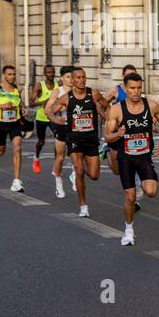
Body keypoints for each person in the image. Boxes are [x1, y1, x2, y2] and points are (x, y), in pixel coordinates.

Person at [103, 73, 159, 246]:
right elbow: (108, 137)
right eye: (132, 88)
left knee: (152, 192)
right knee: (130, 197)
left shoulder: (151, 106)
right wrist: (118, 134)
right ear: (125, 88)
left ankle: (141, 183)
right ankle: (128, 231)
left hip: (144, 157)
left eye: (139, 88)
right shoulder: (116, 109)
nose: (136, 92)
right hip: (126, 158)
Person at [46, 66, 109, 217]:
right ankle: (83, 206)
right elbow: (49, 110)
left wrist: (110, 121)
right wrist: (57, 120)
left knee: (94, 175)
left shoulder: (93, 94)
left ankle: (81, 168)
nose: (81, 80)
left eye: (83, 77)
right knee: (79, 171)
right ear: (72, 80)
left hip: (90, 138)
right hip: (74, 138)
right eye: (78, 78)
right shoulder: (67, 97)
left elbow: (108, 107)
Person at [0, 65, 27, 192]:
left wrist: (23, 108)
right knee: (1, 151)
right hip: (1, 124)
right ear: (4, 75)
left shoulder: (16, 89)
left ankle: (16, 181)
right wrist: (3, 105)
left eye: (14, 74)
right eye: (9, 74)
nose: (12, 77)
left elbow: (19, 102)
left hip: (14, 123)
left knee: (18, 148)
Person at [44, 65, 75, 200]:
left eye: (73, 77)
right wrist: (56, 119)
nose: (71, 80)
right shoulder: (58, 92)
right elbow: (47, 110)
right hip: (62, 127)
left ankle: (74, 175)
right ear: (62, 78)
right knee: (60, 157)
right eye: (68, 77)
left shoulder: (80, 91)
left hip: (76, 127)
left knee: (77, 155)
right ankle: (58, 182)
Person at [30, 63, 58, 174]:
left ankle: (56, 164)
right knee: (41, 141)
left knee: (58, 139)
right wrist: (44, 101)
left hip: (54, 117)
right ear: (44, 74)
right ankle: (36, 157)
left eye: (53, 72)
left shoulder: (58, 84)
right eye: (49, 72)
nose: (51, 74)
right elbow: (31, 103)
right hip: (41, 117)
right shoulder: (39, 86)